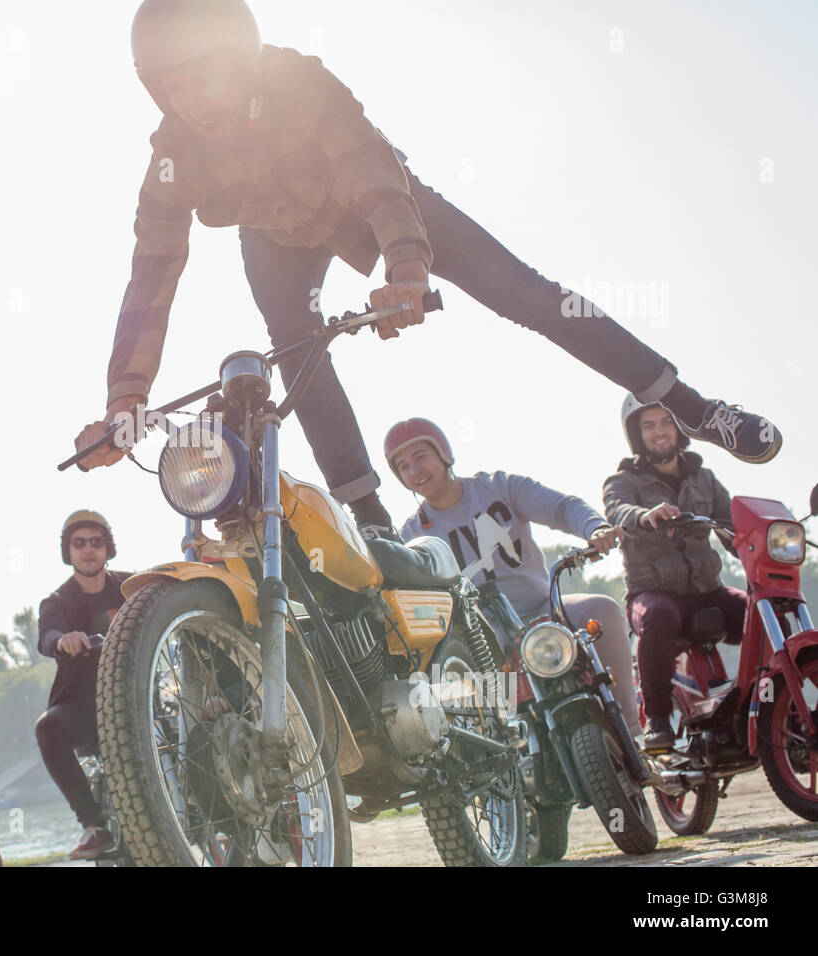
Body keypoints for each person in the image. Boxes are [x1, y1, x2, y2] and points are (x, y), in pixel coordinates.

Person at [74, 0, 780, 538]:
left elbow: (372, 175)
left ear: (245, 62)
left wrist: (405, 265)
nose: (203, 101)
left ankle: (696, 407)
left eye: (214, 77)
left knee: (523, 292)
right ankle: (372, 518)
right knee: (290, 340)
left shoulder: (300, 83)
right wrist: (125, 397)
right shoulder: (171, 156)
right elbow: (152, 273)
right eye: (181, 86)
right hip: (277, 235)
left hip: (374, 199)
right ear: (158, 90)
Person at [386, 418, 641, 735]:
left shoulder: (499, 487)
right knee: (457, 695)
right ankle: (506, 762)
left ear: (444, 453)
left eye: (421, 456)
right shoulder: (411, 537)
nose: (414, 471)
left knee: (601, 609)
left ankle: (632, 731)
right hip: (483, 641)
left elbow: (561, 507)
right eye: (403, 466)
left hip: (544, 613)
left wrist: (595, 528)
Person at [602, 396, 747, 751]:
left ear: (679, 426)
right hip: (652, 593)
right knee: (659, 616)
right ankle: (657, 719)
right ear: (637, 435)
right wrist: (643, 515)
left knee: (757, 609)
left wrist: (760, 539)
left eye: (666, 421)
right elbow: (617, 508)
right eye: (648, 425)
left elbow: (735, 527)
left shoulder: (705, 479)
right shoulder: (623, 480)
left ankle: (763, 702)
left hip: (707, 590)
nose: (659, 432)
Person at [35, 510, 130, 860]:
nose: (88, 550)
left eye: (96, 542)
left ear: (108, 548)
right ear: (68, 551)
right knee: (48, 728)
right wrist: (64, 640)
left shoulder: (132, 587)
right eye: (79, 544)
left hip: (139, 695)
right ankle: (93, 825)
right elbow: (47, 635)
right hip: (86, 706)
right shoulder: (57, 602)